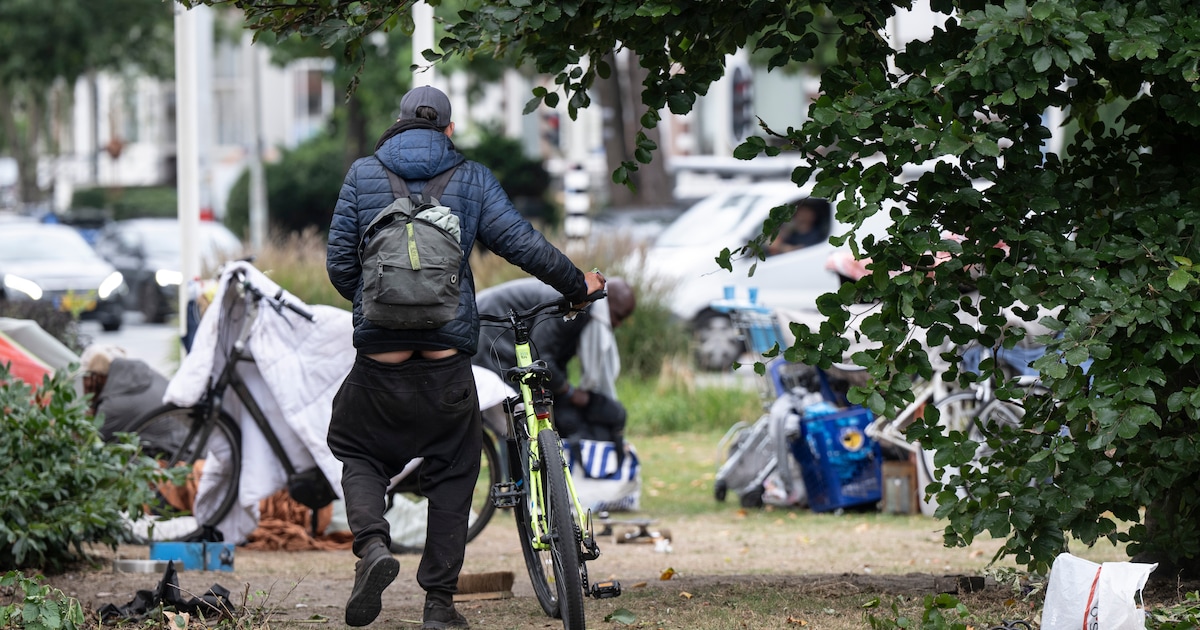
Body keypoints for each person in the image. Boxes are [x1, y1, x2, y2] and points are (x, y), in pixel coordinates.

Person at [325, 85, 604, 629]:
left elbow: (339, 263)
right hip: (446, 359)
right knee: (454, 470)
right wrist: (576, 284)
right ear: (448, 131)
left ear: (398, 123)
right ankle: (438, 605)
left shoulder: (363, 174)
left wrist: (376, 305)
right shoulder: (470, 178)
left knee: (359, 451)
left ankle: (374, 547)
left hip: (379, 356)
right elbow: (523, 244)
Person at [472, 276, 636, 456]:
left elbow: (557, 358)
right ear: (607, 303)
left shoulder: (585, 308)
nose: (618, 324)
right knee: (517, 424)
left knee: (526, 422)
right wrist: (569, 392)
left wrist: (563, 391)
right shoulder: (570, 305)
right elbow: (542, 359)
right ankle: (517, 481)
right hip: (489, 335)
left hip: (505, 337)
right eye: (618, 316)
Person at [79, 344, 169, 441]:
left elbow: (92, 446)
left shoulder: (112, 406)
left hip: (170, 452)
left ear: (92, 379)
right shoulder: (149, 374)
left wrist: (92, 406)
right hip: (183, 442)